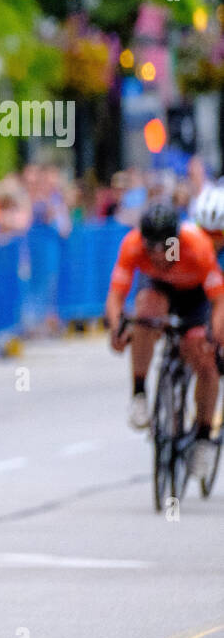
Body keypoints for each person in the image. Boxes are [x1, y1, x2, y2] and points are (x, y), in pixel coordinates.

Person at [106, 203, 224, 480]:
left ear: (177, 239)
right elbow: (116, 295)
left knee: (204, 357)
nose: (159, 253)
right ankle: (139, 393)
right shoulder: (133, 245)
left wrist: (215, 338)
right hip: (158, 289)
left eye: (165, 246)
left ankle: (203, 437)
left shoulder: (198, 247)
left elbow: (219, 302)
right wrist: (117, 327)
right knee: (144, 315)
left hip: (195, 297)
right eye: (152, 247)